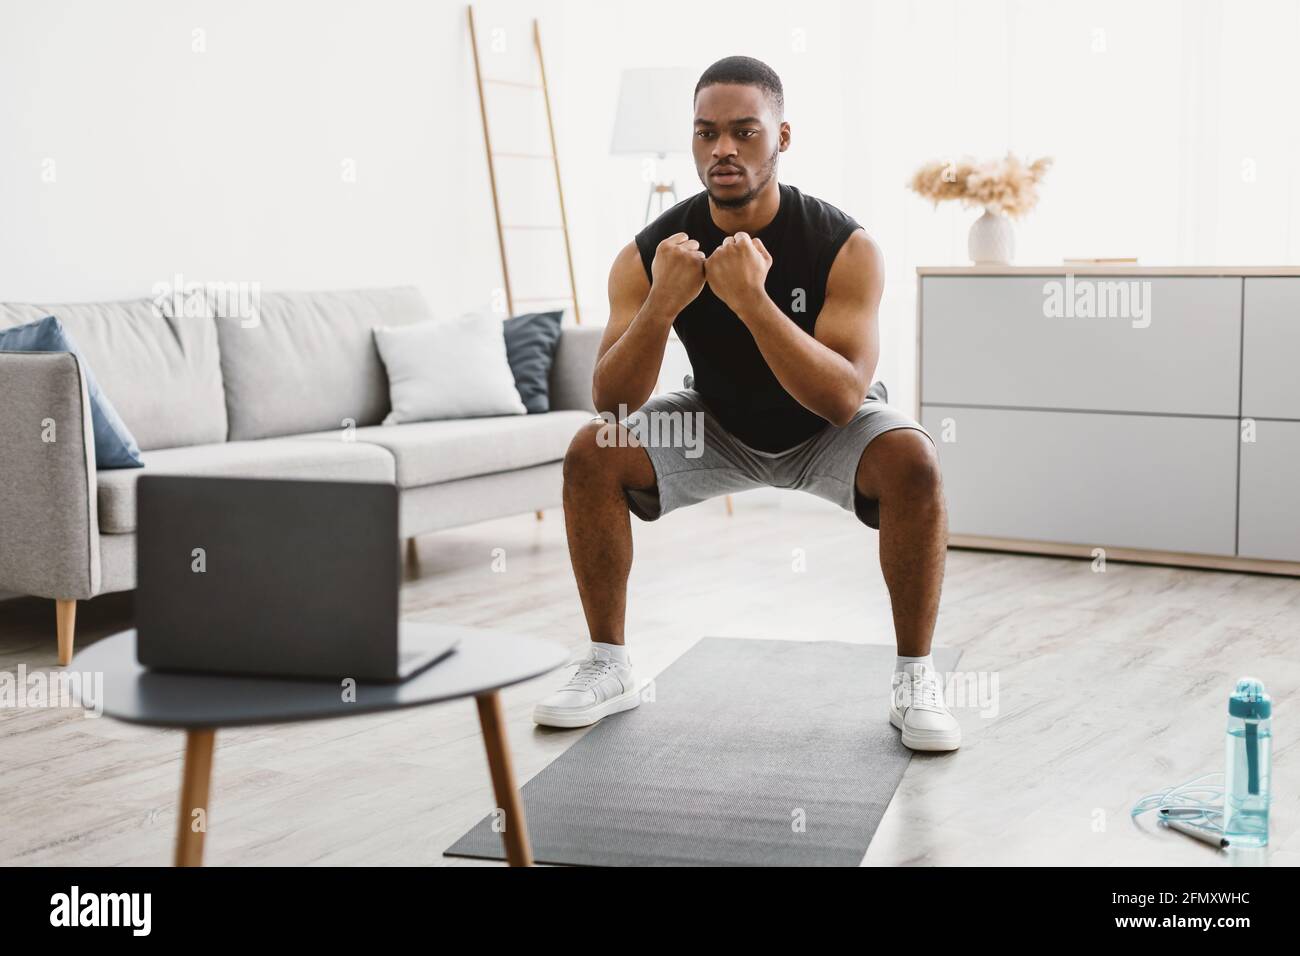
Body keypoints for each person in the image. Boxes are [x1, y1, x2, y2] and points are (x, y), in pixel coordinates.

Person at [533, 56, 959, 751]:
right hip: (717, 425)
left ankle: (915, 677)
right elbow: (610, 403)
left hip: (824, 430)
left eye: (744, 132)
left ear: (781, 137)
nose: (722, 149)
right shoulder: (649, 253)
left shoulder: (844, 246)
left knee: (913, 458)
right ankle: (609, 666)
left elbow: (843, 398)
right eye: (706, 133)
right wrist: (665, 304)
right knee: (592, 450)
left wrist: (753, 303)